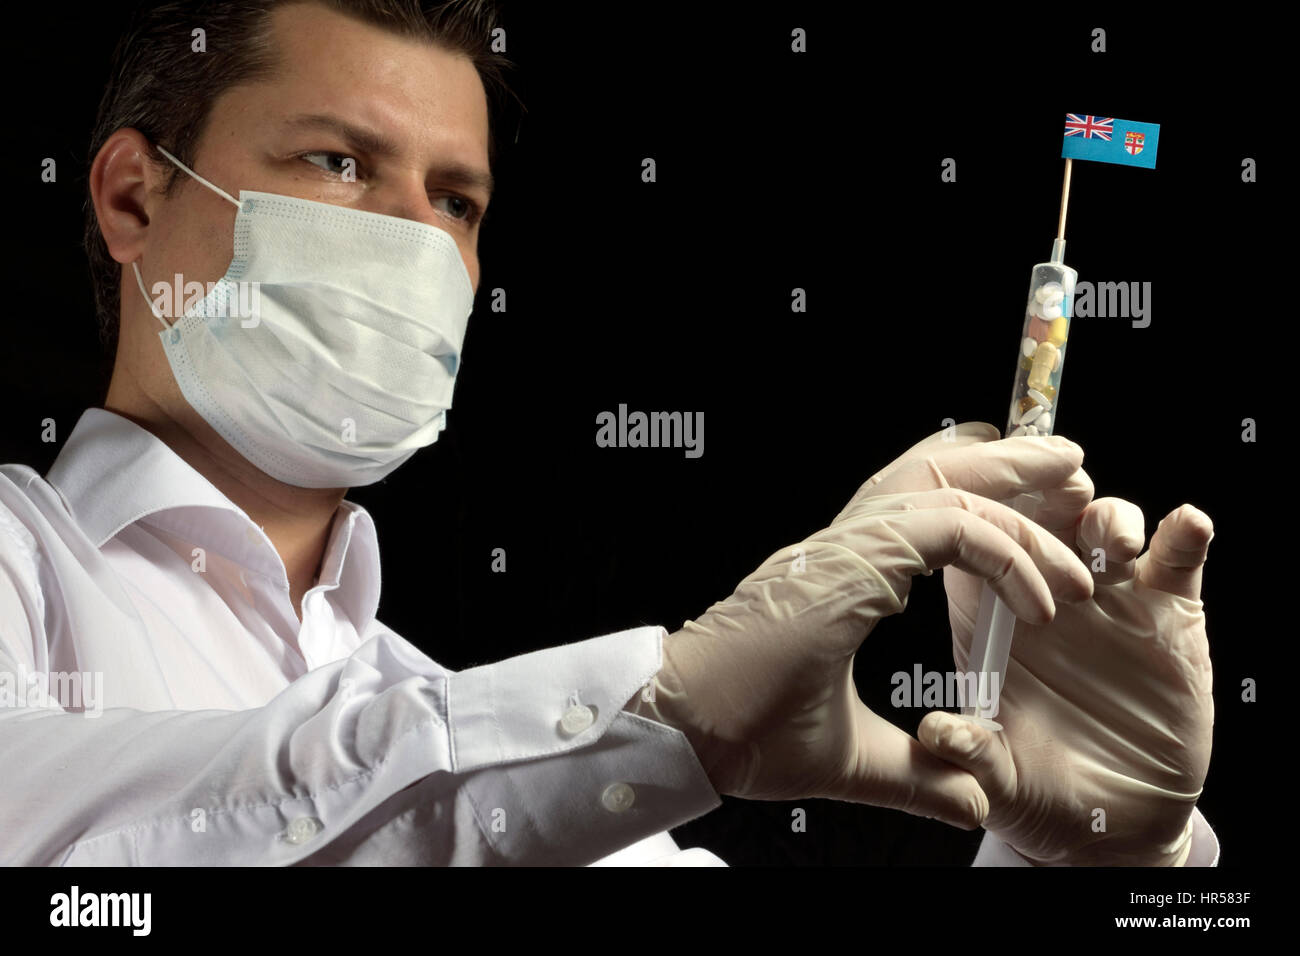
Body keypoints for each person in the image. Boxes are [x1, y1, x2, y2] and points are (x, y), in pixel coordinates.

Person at [0, 0, 1217, 866]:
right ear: (132, 196)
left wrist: (1106, 850)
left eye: (455, 201)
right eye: (341, 161)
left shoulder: (473, 724)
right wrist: (668, 712)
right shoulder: (20, 567)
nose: (418, 243)